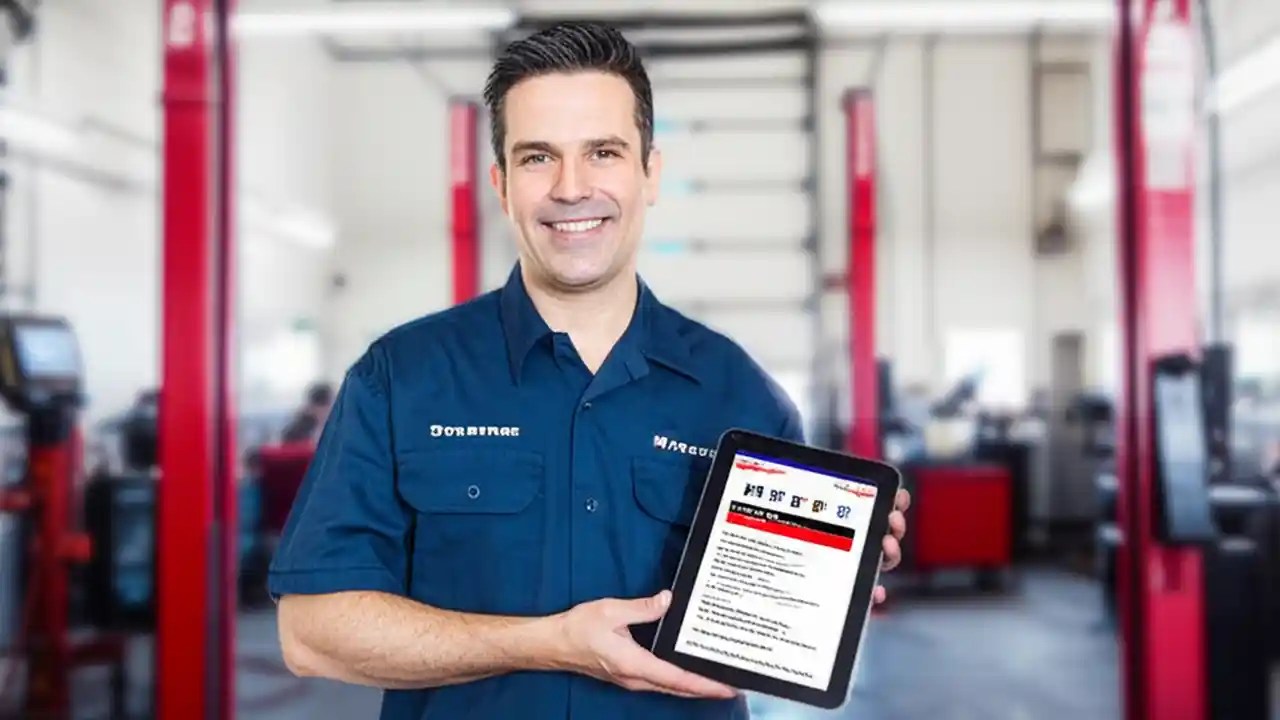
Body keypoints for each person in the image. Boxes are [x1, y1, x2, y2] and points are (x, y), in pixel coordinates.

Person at [269, 21, 910, 720]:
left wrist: (832, 570)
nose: (572, 188)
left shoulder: (738, 391)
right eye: (539, 156)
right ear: (502, 184)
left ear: (649, 173)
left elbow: (773, 628)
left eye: (603, 152)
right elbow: (313, 634)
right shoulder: (401, 377)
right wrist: (549, 642)